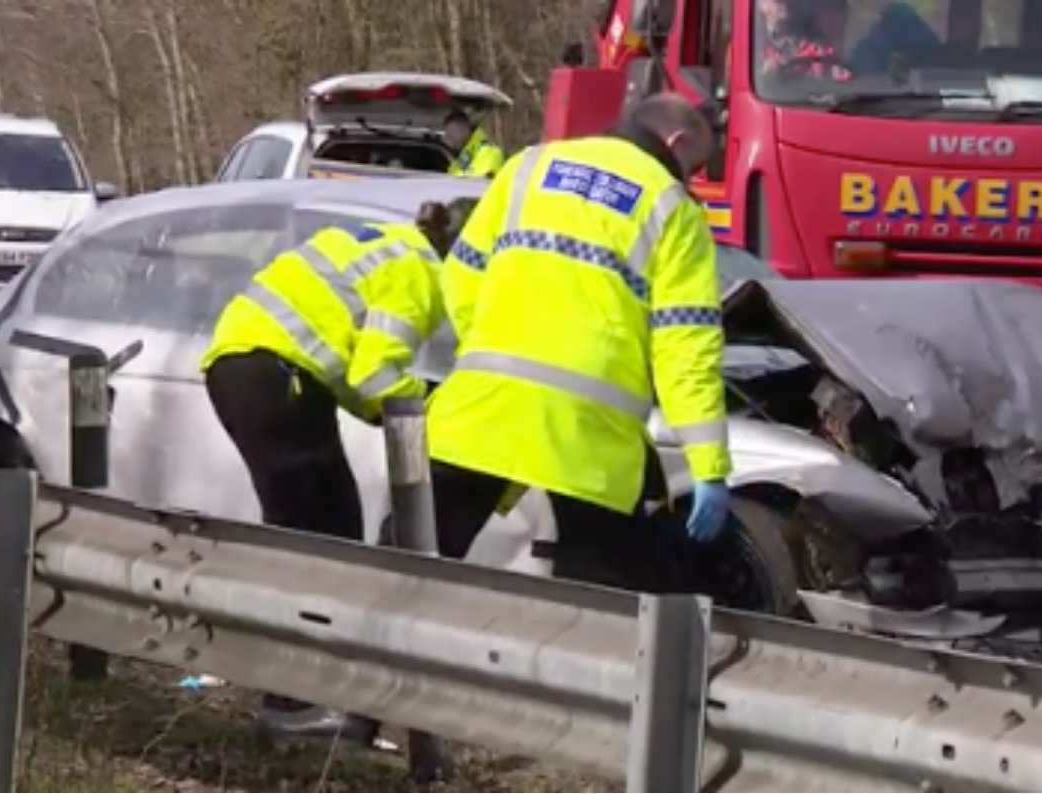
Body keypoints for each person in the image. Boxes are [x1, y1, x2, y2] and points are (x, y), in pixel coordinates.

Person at [425, 93, 733, 591]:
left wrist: (492, 351)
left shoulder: (527, 166)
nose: (689, 180)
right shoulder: (672, 207)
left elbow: (461, 277)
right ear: (675, 143)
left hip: (477, 415)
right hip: (588, 443)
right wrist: (709, 467)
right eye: (692, 168)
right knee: (600, 613)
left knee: (411, 572)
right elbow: (686, 349)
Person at [200, 197, 477, 742]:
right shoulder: (419, 274)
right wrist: (430, 406)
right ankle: (291, 704)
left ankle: (301, 699)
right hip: (276, 374)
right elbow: (377, 376)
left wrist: (383, 409)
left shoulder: (388, 242)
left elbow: (354, 374)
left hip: (250, 366)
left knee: (320, 533)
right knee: (319, 545)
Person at [443, 110, 505, 178]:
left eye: (450, 134)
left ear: (463, 130)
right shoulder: (463, 156)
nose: (447, 139)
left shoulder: (489, 151)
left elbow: (479, 181)